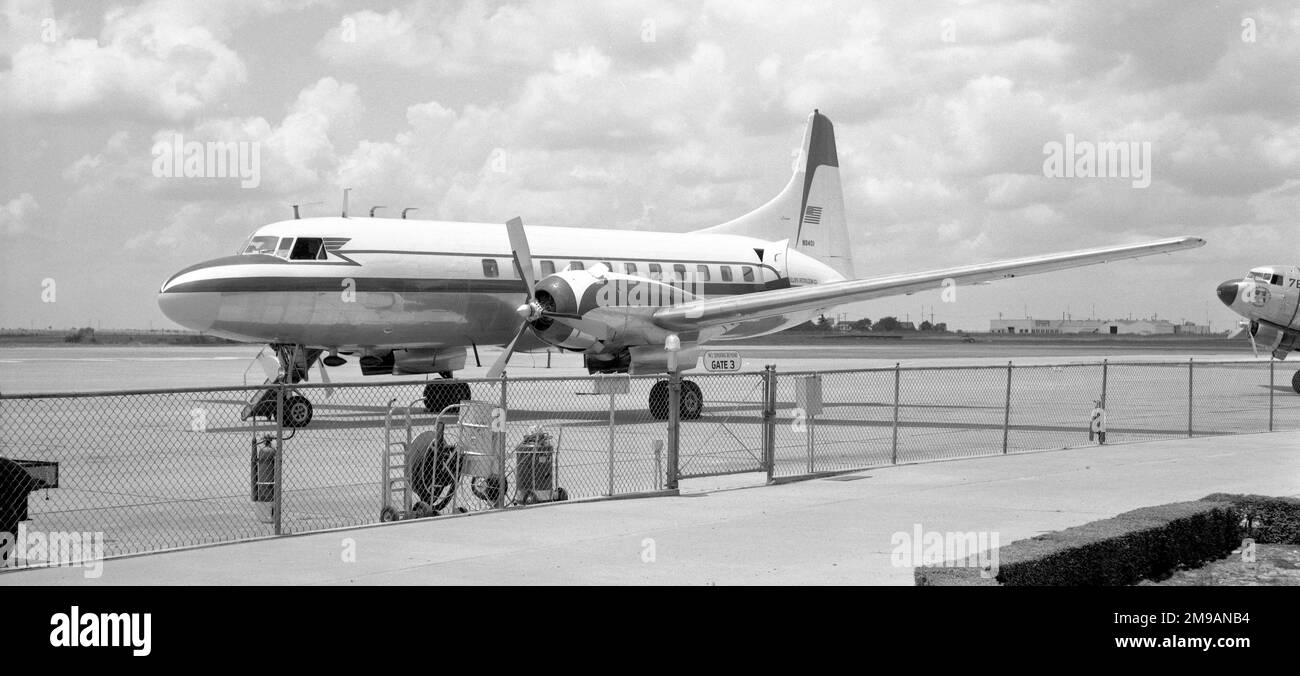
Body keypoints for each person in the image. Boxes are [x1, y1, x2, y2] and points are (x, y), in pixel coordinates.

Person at [0, 457, 37, 565]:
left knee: (7, 513)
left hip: (18, 482)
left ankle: (3, 555)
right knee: (8, 514)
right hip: (18, 481)